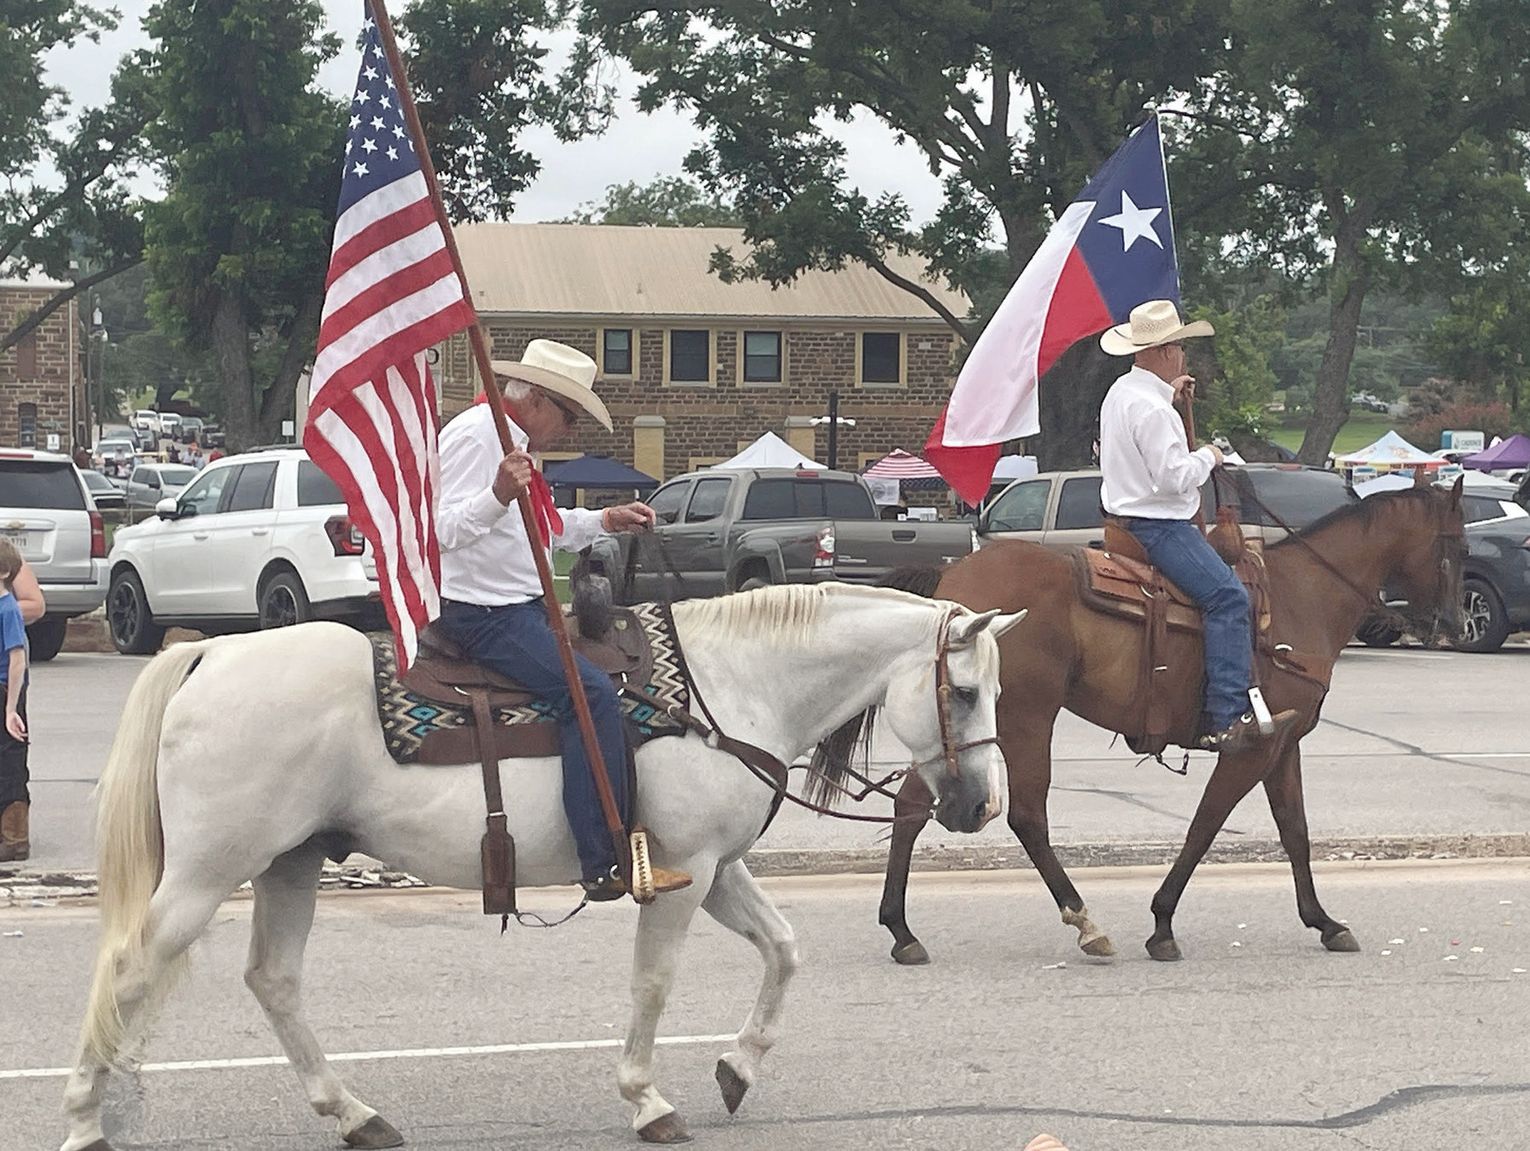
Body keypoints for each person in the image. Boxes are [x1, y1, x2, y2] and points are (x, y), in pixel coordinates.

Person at [434, 339, 692, 902]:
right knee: (592, 695)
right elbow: (440, 531)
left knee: (614, 680)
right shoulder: (479, 436)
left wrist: (604, 519)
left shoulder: (510, 440)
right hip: (482, 612)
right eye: (570, 416)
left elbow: (542, 527)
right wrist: (498, 495)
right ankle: (602, 860)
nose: (570, 431)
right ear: (540, 401)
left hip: (515, 605)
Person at [1098, 300, 1294, 752]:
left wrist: (1172, 396)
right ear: (1166, 350)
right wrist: (1210, 455)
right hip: (1160, 527)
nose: (1184, 356)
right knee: (1228, 598)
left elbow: (1145, 426)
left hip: (1125, 519)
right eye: (1181, 347)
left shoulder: (1122, 393)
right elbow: (1173, 477)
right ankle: (1226, 716)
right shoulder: (1153, 410)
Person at [0, 543, 33, 863]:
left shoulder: (8, 609)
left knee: (10, 760)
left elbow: (17, 659)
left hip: (6, 690)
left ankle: (15, 836)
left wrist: (11, 708)